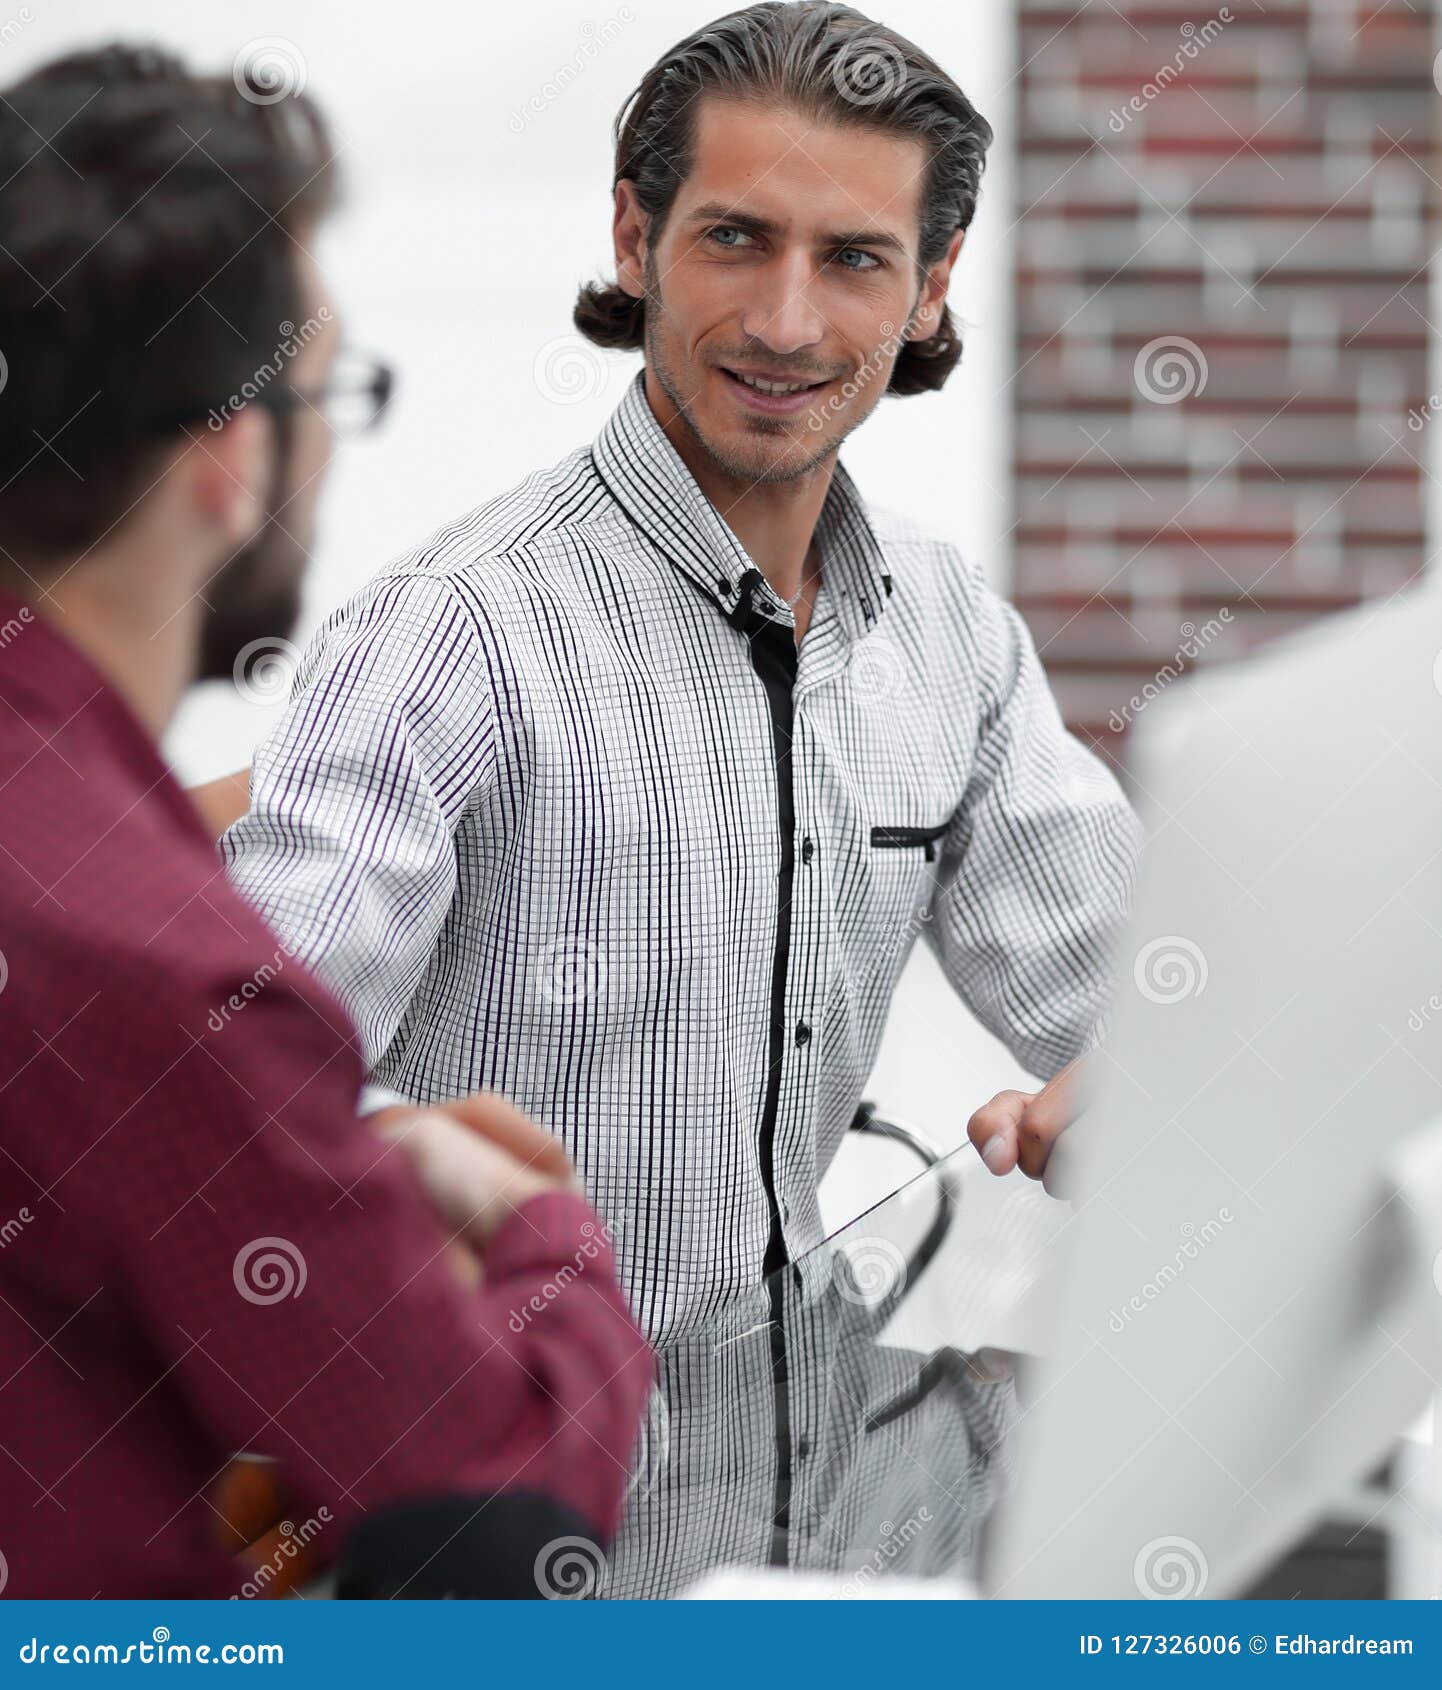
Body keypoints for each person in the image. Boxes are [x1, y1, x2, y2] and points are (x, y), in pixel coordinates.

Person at [213, 0, 1140, 1588]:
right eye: (733, 239)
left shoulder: (947, 634)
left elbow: (1146, 997)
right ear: (634, 238)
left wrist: (1136, 1085)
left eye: (853, 259)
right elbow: (237, 1096)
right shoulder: (455, 633)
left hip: (805, 1521)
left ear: (930, 285)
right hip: (509, 1537)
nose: (785, 320)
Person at [0, 45, 652, 1599]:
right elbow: (495, 1528)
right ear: (232, 453)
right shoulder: (154, 964)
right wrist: (536, 1226)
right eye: (324, 395)